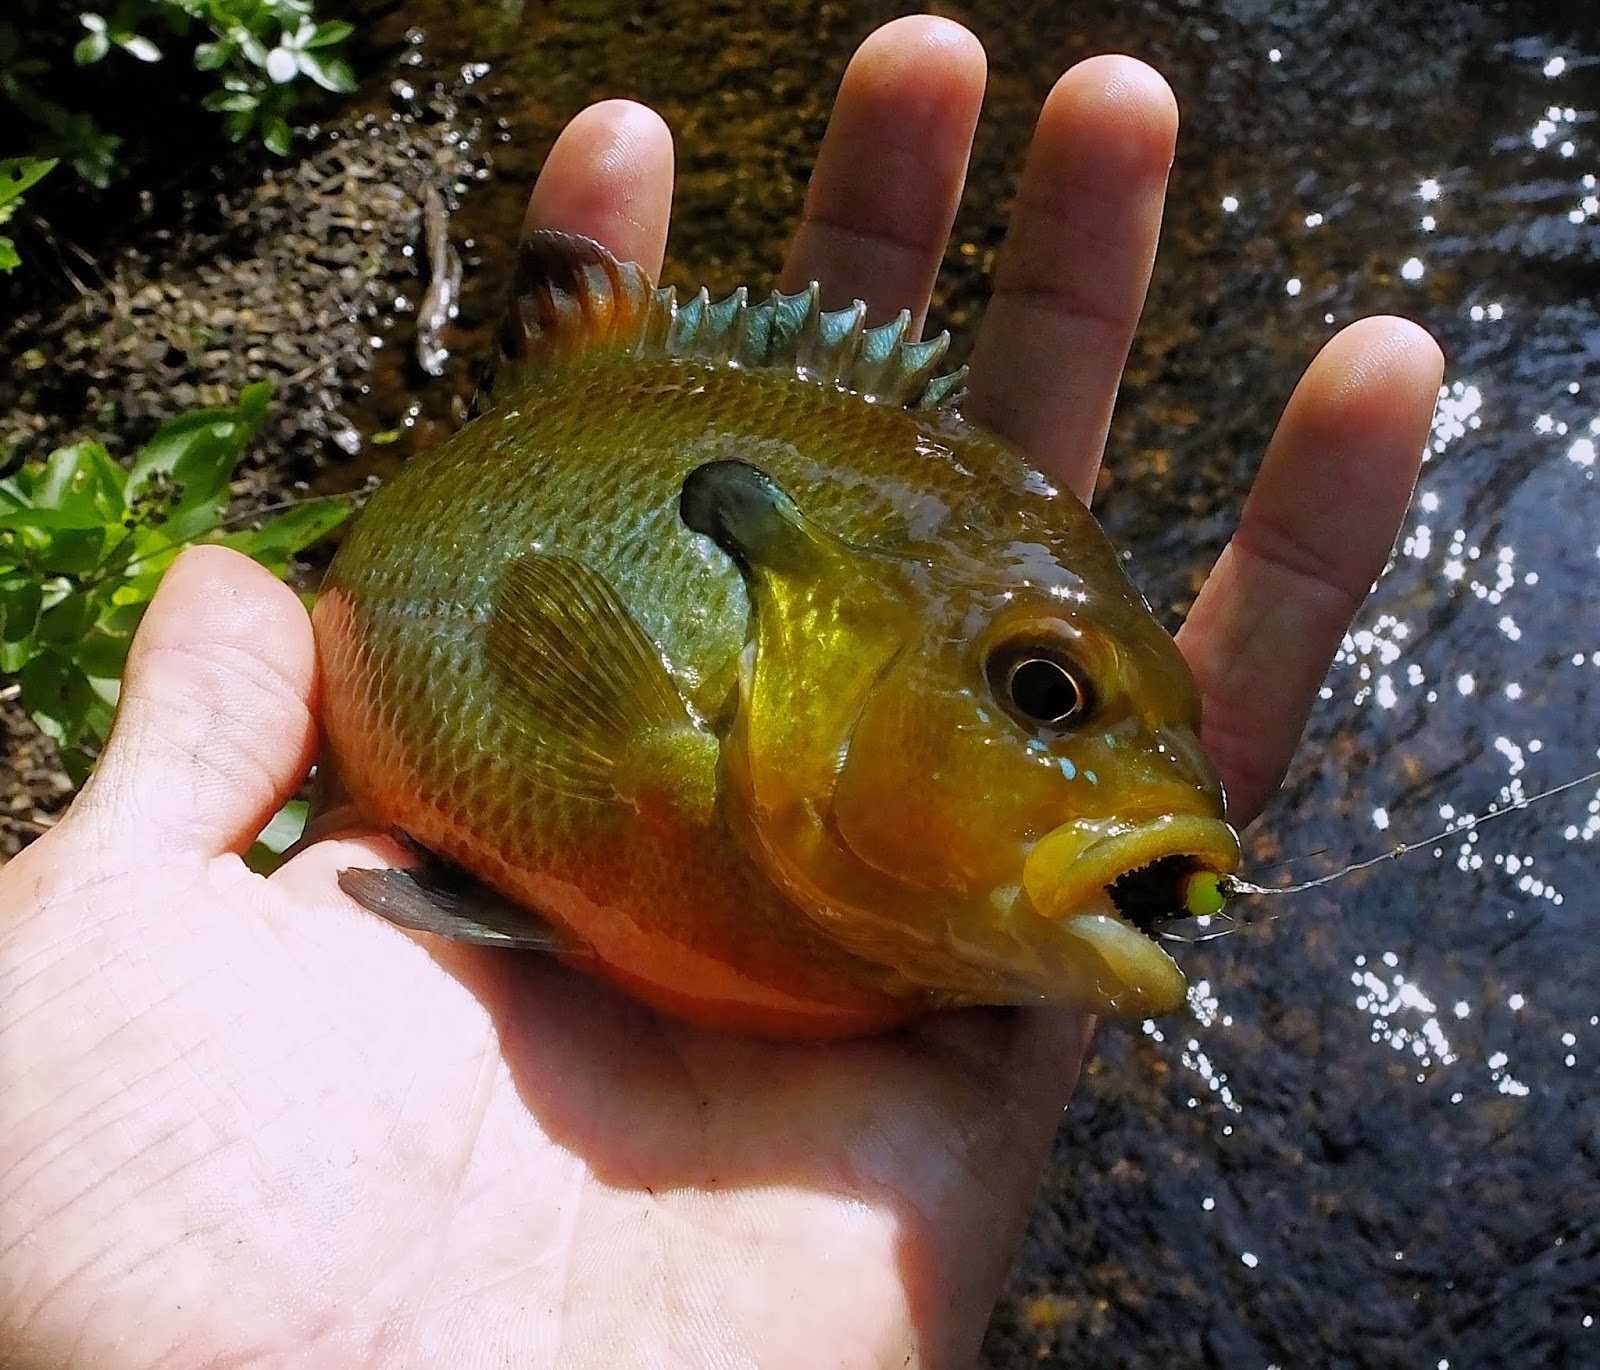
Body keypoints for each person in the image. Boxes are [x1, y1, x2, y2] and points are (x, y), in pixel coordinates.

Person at [0, 15, 1442, 1367]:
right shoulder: (666, 736)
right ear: (800, 616)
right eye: (1045, 693)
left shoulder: (903, 927)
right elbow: (532, 640)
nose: (1116, 779)